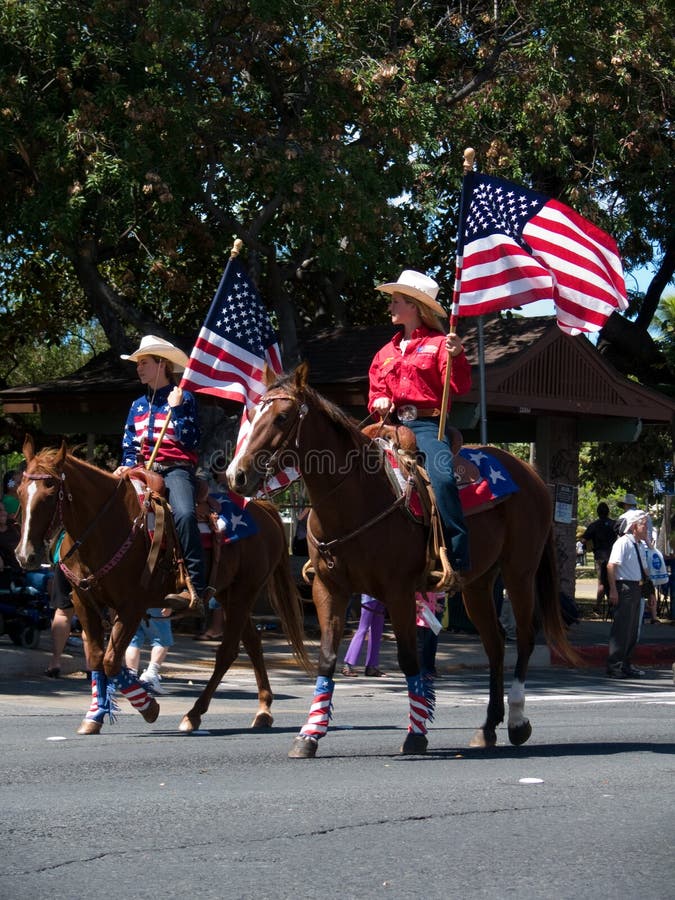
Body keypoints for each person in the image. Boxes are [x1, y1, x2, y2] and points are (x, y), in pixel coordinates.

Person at [368, 269, 472, 574]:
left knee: (441, 477)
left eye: (396, 301)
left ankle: (457, 555)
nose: (390, 307)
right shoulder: (384, 353)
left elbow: (458, 387)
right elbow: (376, 390)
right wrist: (379, 401)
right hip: (389, 426)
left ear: (414, 306)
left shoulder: (441, 344)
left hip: (427, 425)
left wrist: (459, 356)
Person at [115, 335, 207, 616]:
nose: (138, 368)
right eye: (138, 363)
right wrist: (126, 465)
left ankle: (196, 586)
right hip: (143, 471)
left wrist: (177, 409)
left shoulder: (184, 397)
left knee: (184, 514)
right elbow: (130, 445)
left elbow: (190, 440)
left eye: (144, 363)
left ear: (162, 365)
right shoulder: (136, 406)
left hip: (176, 469)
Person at [605, 509, 652, 678]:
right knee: (622, 629)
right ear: (633, 527)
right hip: (625, 587)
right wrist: (613, 590)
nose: (646, 528)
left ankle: (626, 663)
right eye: (643, 525)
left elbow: (645, 570)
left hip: (637, 588)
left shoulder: (639, 545)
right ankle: (615, 666)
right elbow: (611, 566)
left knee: (633, 630)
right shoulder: (623, 543)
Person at [124, 607, 175, 695]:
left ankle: (132, 679)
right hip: (155, 603)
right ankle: (151, 674)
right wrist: (169, 605)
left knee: (133, 641)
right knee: (162, 640)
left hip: (131, 603)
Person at [581, 502, 617, 615]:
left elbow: (584, 539)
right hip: (613, 556)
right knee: (612, 582)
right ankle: (612, 606)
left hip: (600, 557)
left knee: (601, 583)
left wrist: (588, 546)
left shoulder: (594, 525)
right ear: (608, 512)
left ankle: (597, 606)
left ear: (597, 512)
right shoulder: (614, 524)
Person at [341, 594, 387, 677]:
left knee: (377, 632)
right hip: (369, 597)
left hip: (382, 598)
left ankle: (371, 667)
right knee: (363, 629)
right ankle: (347, 666)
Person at [416, 591, 446, 678]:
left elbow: (433, 599)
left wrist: (435, 605)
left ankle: (426, 670)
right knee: (420, 645)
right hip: (420, 617)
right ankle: (421, 671)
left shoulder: (433, 590)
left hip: (428, 615)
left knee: (427, 642)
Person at [0, 503, 20, 572]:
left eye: (4, 515)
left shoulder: (13, 526)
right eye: (1, 515)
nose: (2, 517)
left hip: (19, 557)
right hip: (8, 563)